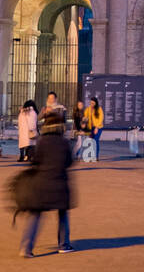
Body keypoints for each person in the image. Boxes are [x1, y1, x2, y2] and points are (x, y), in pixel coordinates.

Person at [18, 108, 75, 256]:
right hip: (59, 184)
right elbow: (69, 162)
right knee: (62, 214)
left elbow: (35, 161)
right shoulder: (64, 142)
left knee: (35, 214)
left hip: (41, 183)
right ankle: (64, 244)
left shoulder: (41, 141)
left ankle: (26, 247)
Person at [83, 95, 104, 160]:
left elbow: (101, 118)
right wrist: (84, 122)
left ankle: (96, 156)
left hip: (98, 127)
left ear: (95, 103)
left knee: (96, 140)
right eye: (91, 102)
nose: (91, 104)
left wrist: (97, 127)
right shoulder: (88, 109)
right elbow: (85, 117)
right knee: (91, 141)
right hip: (90, 128)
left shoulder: (99, 109)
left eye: (93, 103)